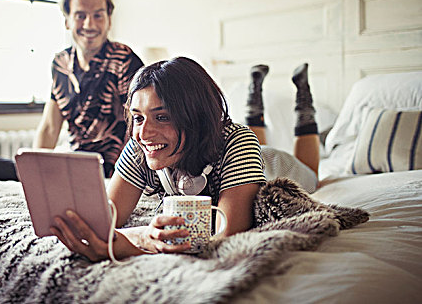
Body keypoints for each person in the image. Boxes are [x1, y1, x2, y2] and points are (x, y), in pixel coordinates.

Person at [51, 56, 269, 261]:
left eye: (162, 117)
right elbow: (103, 224)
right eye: (138, 118)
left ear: (196, 117)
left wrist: (132, 246)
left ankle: (283, 108)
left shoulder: (236, 141)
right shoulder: (141, 147)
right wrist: (143, 237)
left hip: (278, 162)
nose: (144, 134)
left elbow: (226, 239)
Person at [0, 0, 144, 180]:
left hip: (112, 168)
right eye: (80, 16)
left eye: (98, 15)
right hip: (73, 160)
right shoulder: (60, 64)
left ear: (109, 20)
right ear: (67, 21)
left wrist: (125, 177)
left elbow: (137, 124)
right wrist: (33, 171)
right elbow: (50, 127)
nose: (90, 24)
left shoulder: (123, 59)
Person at [246, 63, 320, 193]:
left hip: (262, 158)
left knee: (254, 157)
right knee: (311, 176)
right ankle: (304, 100)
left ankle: (254, 99)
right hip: (270, 158)